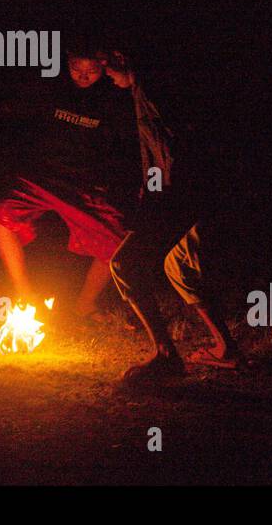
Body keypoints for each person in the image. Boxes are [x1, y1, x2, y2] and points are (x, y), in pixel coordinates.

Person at [100, 47, 244, 384]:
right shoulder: (146, 88)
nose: (105, 73)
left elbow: (175, 145)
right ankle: (226, 348)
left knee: (125, 264)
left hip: (185, 192)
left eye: (106, 64)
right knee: (179, 265)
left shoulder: (153, 88)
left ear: (121, 57)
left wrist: (161, 196)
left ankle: (166, 357)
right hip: (193, 190)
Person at [0, 39, 139, 319]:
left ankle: (86, 303)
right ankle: (24, 293)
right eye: (76, 68)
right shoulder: (50, 88)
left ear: (103, 67)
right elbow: (16, 116)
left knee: (118, 243)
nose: (83, 76)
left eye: (91, 71)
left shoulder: (111, 97)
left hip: (83, 185)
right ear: (66, 62)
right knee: (0, 217)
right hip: (42, 178)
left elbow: (125, 142)